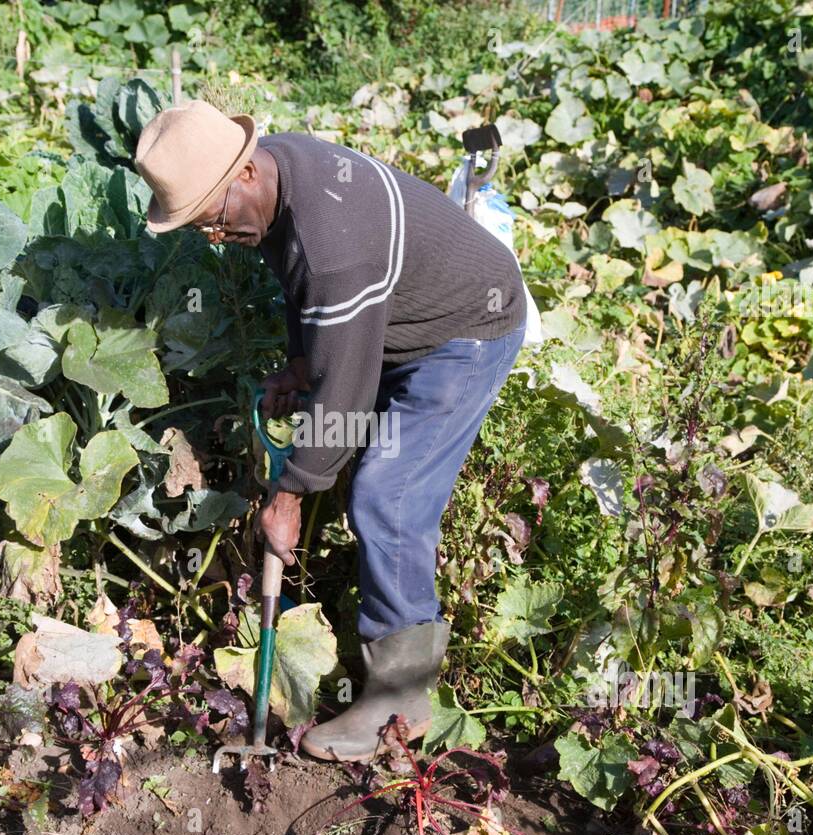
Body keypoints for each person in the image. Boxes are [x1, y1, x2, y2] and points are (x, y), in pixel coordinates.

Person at [136, 100, 526, 762]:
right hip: (405, 319)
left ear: (247, 174)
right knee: (369, 478)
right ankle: (383, 636)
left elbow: (344, 389)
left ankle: (402, 697)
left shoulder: (333, 243)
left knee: (387, 493)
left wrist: (288, 496)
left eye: (217, 221)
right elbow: (301, 286)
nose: (218, 238)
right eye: (204, 229)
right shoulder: (282, 176)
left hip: (465, 331)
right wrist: (299, 363)